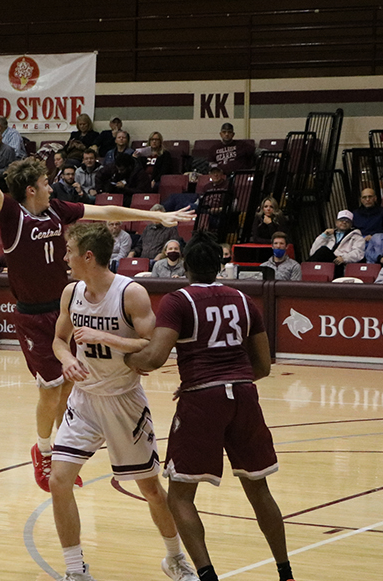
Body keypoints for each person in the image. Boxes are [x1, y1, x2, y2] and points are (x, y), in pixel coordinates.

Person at [0, 101, 194, 493]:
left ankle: (62, 450)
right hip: (32, 316)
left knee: (70, 386)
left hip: (66, 310)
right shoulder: (12, 215)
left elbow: (106, 210)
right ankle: (43, 450)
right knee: (50, 388)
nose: (50, 184)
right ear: (30, 189)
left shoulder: (58, 210)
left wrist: (156, 218)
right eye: (44, 182)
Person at [123, 231, 295, 581]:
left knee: (181, 496)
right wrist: (230, 380)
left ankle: (206, 576)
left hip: (202, 399)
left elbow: (155, 358)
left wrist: (122, 355)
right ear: (221, 265)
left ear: (185, 266)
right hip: (245, 395)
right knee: (258, 489)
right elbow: (262, 366)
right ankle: (285, 572)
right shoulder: (245, 300)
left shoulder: (178, 300)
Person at [49, 222, 197, 581]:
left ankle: (174, 558)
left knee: (150, 489)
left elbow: (155, 346)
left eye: (69, 252)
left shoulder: (130, 294)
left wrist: (109, 338)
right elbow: (58, 340)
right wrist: (68, 360)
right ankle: (75, 569)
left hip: (123, 401)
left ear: (88, 256)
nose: (65, 258)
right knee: (58, 480)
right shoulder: (71, 292)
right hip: (84, 401)